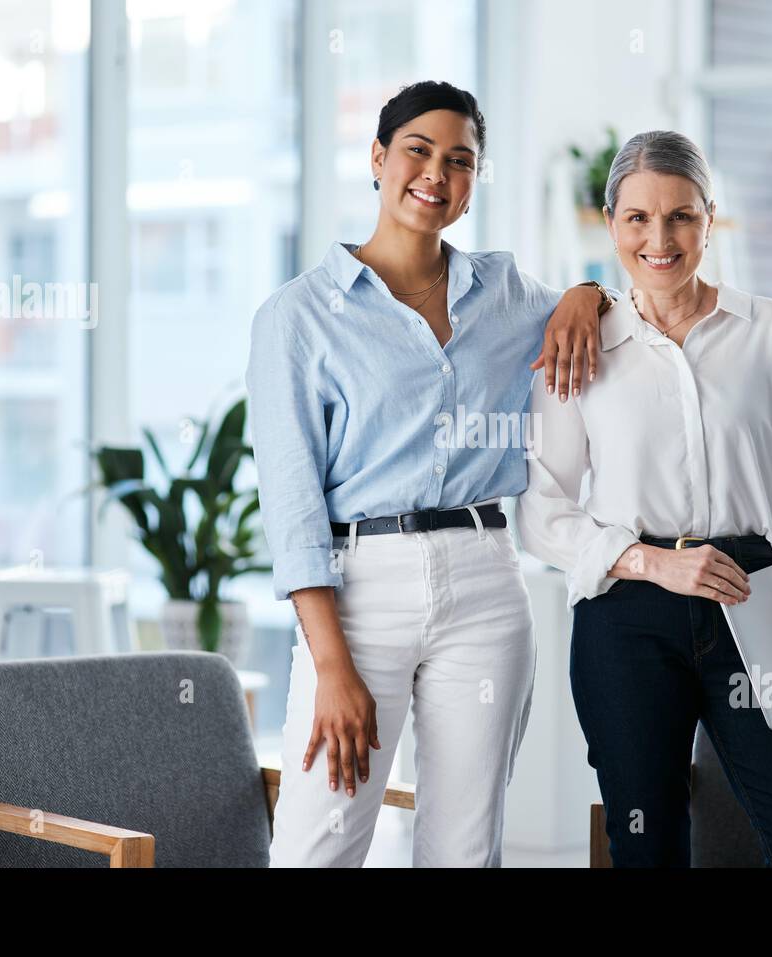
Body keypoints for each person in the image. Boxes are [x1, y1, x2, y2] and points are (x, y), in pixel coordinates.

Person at [245, 80, 613, 867]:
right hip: (355, 590)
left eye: (460, 161)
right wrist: (331, 664)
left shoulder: (507, 294)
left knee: (464, 846)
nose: (436, 174)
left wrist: (588, 292)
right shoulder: (298, 316)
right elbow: (292, 502)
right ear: (379, 158)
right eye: (418, 150)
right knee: (321, 837)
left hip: (485, 576)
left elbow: (599, 310)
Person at [517, 130, 772, 867]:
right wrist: (650, 562)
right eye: (638, 218)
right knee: (648, 849)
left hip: (760, 601)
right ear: (611, 223)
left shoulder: (769, 331)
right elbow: (543, 513)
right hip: (627, 618)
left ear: (710, 219)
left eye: (681, 216)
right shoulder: (580, 342)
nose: (659, 238)